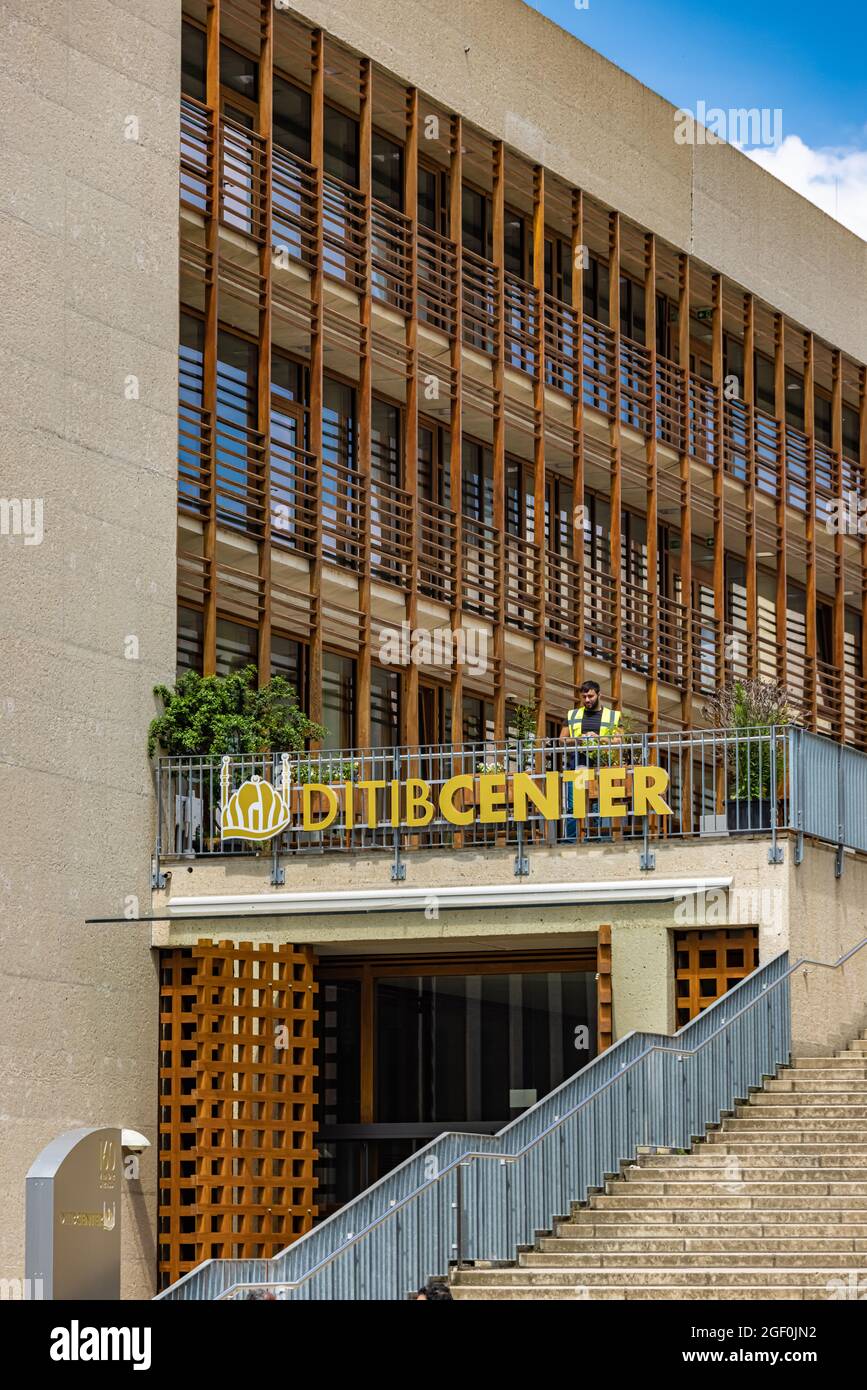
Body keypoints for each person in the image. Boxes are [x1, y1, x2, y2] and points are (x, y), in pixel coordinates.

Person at [560, 682, 621, 841]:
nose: (587, 699)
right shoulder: (573, 715)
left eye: (590, 696)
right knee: (575, 803)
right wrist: (578, 740)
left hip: (602, 766)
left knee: (598, 804)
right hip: (579, 765)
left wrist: (598, 738)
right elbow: (562, 739)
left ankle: (598, 837)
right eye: (584, 696)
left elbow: (618, 740)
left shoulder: (612, 716)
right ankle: (572, 839)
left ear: (599, 695)